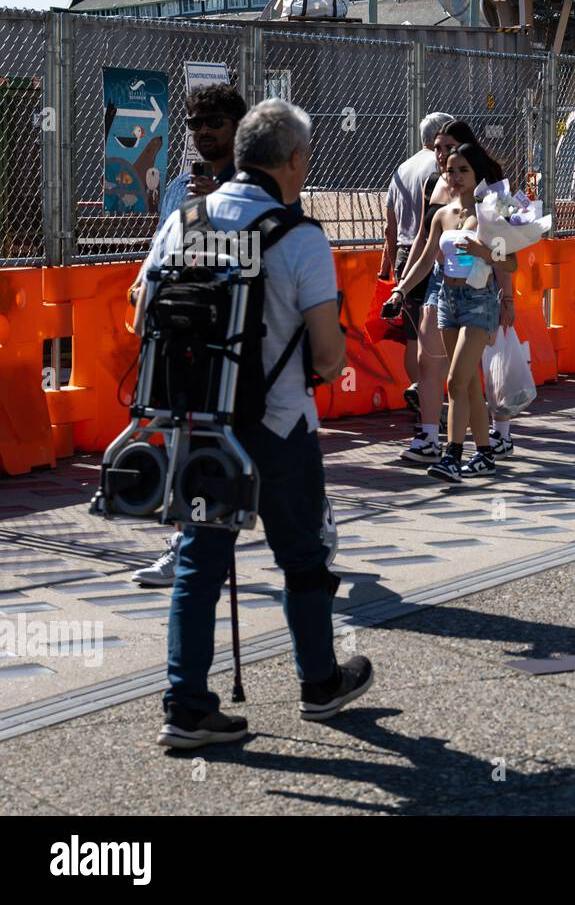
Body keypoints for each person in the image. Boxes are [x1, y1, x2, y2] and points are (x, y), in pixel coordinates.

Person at [136, 98, 373, 748]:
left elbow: (141, 315)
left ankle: (186, 708)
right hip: (279, 426)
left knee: (198, 564)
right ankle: (319, 683)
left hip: (204, 427)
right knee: (303, 556)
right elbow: (327, 356)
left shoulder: (184, 221)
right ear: (295, 160)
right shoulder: (299, 237)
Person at [129, 83, 247, 587]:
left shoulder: (257, 187)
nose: (202, 133)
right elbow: (164, 244)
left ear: (239, 127)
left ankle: (313, 515)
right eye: (195, 124)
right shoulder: (180, 186)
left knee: (257, 447)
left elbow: (257, 258)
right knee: (186, 436)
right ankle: (185, 545)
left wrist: (219, 203)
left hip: (241, 338)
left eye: (213, 122)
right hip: (183, 332)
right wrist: (144, 281)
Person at [385, 142, 516, 482]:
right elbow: (426, 259)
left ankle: (452, 456)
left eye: (463, 170)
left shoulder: (491, 212)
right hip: (447, 301)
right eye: (450, 170)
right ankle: (484, 454)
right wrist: (400, 289)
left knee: (456, 380)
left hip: (478, 302)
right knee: (469, 382)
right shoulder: (443, 214)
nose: (455, 177)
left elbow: (511, 260)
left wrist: (482, 251)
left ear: (477, 173)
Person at [395, 119, 478, 464]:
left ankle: (493, 438)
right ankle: (429, 436)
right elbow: (424, 242)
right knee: (428, 362)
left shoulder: (487, 183)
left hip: (477, 289)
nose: (441, 155)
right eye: (438, 148)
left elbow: (509, 239)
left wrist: (505, 293)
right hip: (438, 285)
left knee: (467, 374)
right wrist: (402, 285)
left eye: (449, 148)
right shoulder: (435, 183)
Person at [378, 111, 454, 406]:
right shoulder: (443, 170)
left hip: (404, 252)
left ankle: (420, 390)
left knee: (413, 335)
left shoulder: (403, 169)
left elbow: (390, 224)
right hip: (435, 254)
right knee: (439, 331)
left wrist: (388, 266)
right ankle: (434, 395)